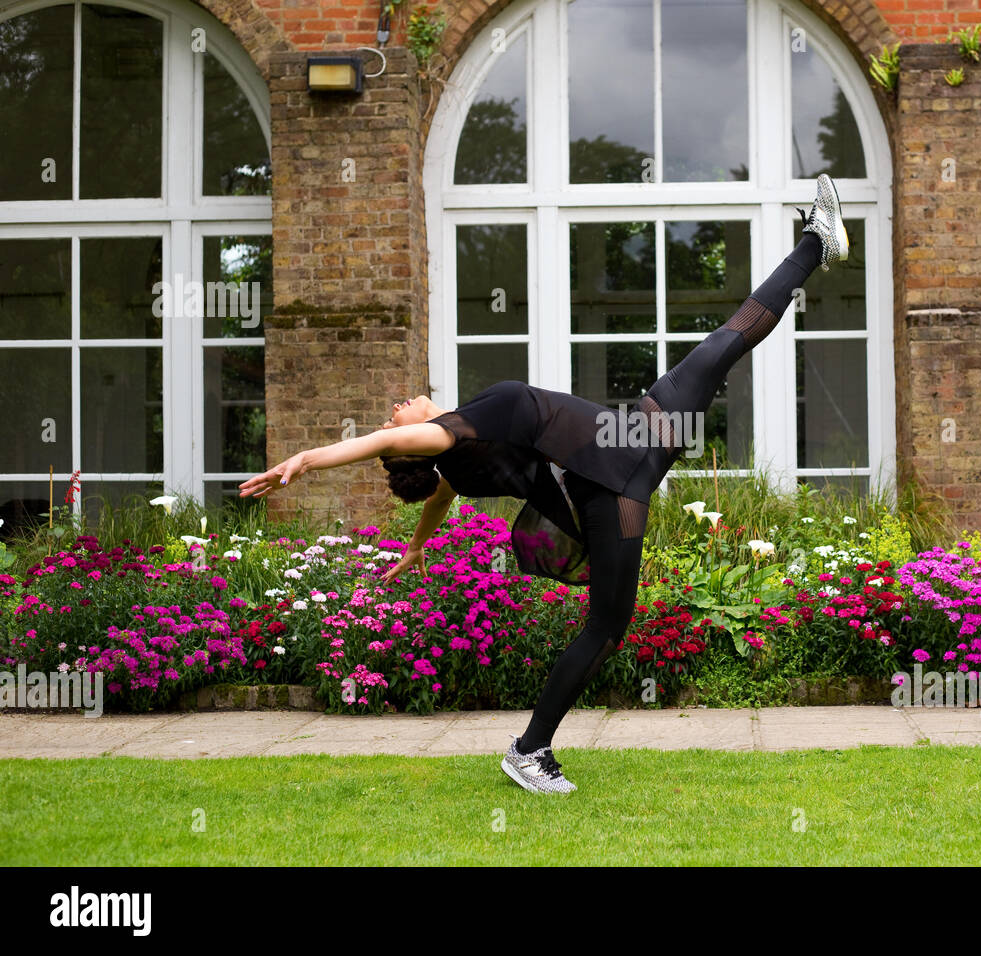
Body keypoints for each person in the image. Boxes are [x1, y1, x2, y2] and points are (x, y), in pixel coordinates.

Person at [239, 174, 851, 794]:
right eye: (394, 412)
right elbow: (380, 445)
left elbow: (441, 499)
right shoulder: (442, 438)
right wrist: (304, 461)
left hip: (633, 436)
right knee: (607, 627)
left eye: (395, 408)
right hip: (612, 480)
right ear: (411, 443)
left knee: (723, 343)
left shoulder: (460, 454)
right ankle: (529, 751)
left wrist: (418, 548)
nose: (398, 404)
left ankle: (813, 243)